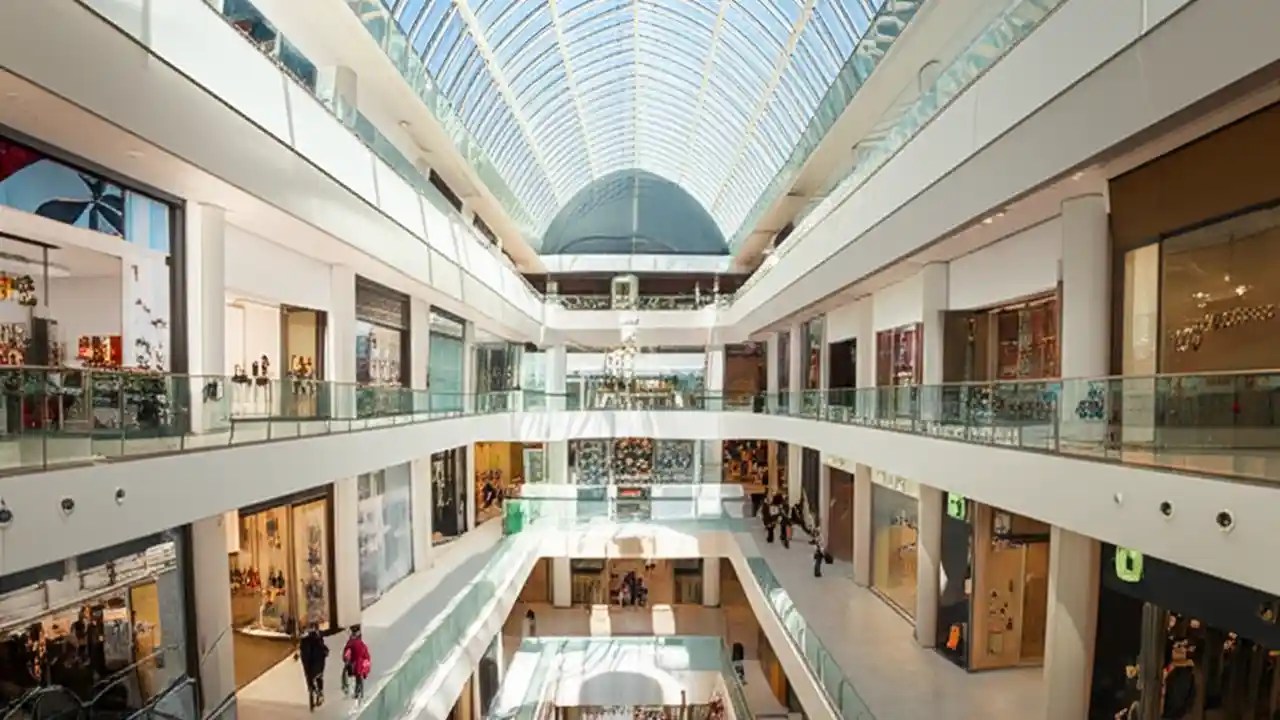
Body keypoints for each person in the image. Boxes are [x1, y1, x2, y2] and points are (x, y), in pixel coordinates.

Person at [298, 623, 328, 710]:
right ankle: (318, 692)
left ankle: (315, 691)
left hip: (310, 661)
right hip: (315, 661)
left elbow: (301, 649)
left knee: (311, 677)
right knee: (317, 676)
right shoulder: (316, 638)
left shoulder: (307, 639)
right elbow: (322, 648)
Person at [341, 625, 371, 702]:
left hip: (353, 665)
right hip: (359, 666)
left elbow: (347, 652)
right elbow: (367, 657)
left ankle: (347, 688)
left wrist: (346, 659)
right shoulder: (362, 644)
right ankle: (358, 693)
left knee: (346, 673)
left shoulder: (351, 643)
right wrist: (366, 668)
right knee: (359, 677)